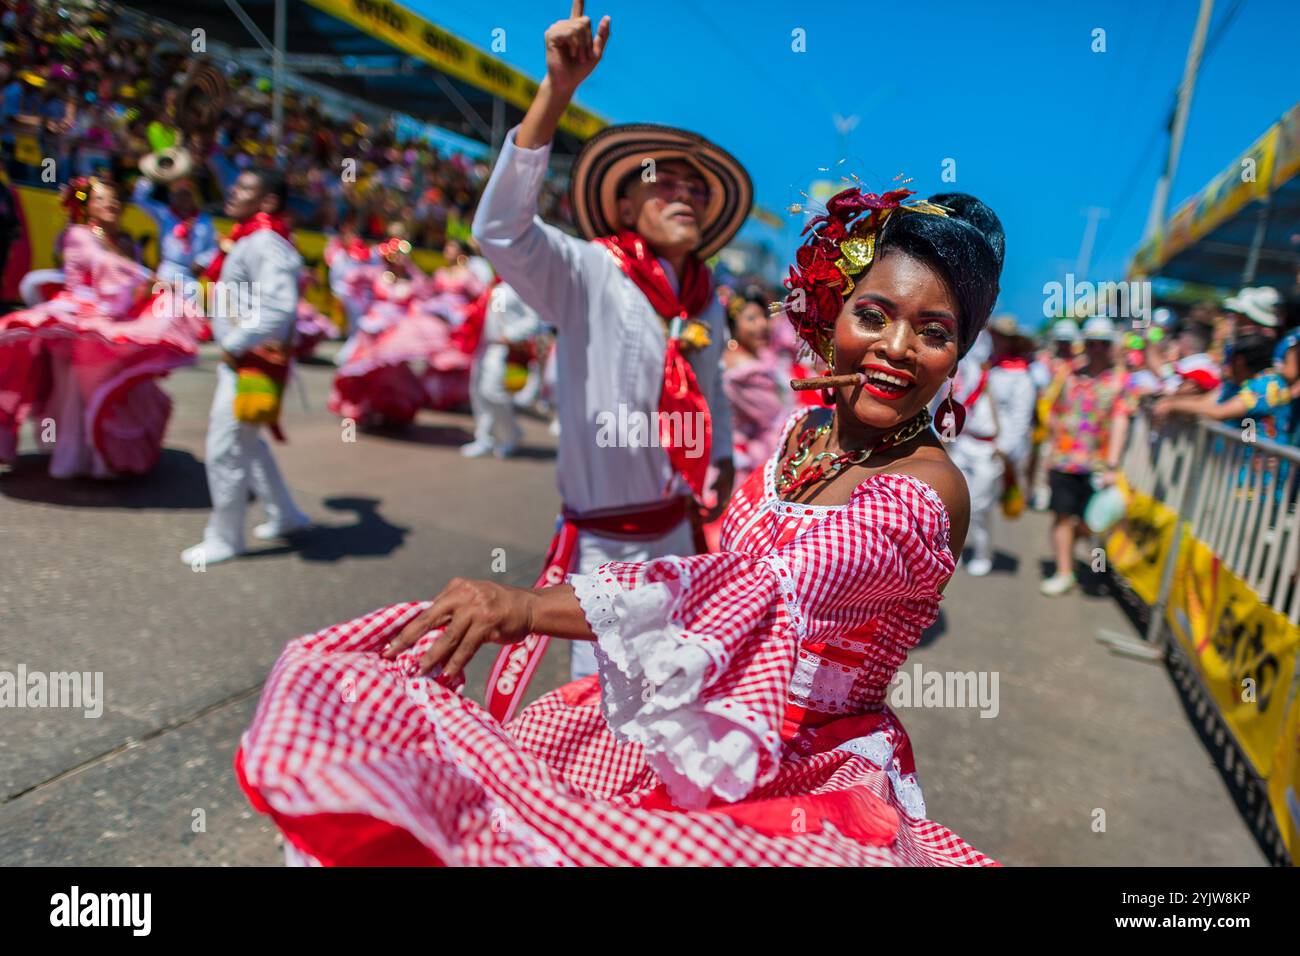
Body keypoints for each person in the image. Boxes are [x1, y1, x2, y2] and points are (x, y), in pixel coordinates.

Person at [235, 86, 1006, 866]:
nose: (898, 348)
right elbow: (500, 229)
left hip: (800, 764)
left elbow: (762, 588)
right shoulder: (767, 402)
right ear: (832, 313)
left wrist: (527, 606)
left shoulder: (925, 490)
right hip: (634, 588)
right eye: (874, 315)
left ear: (960, 352)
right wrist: (554, 91)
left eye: (934, 332)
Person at [469, 3, 739, 692]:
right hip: (604, 549)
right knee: (606, 713)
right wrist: (555, 91)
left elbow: (713, 398)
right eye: (665, 184)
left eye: (697, 189)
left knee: (676, 708)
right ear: (623, 209)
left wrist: (727, 463)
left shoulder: (705, 297)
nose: (686, 195)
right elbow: (499, 232)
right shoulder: (590, 271)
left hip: (684, 540)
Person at [0, 176, 202, 477]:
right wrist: (146, 278)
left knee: (102, 388)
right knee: (76, 393)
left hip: (105, 317)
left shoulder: (118, 240)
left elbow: (121, 280)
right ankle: (73, 457)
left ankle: (92, 457)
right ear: (86, 207)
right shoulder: (80, 234)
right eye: (101, 199)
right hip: (74, 322)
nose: (111, 204)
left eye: (115, 199)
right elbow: (104, 267)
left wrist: (147, 285)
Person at [181, 168, 311, 567]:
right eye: (234, 184)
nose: (232, 191)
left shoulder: (265, 243)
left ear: (268, 201)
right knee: (248, 445)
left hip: (249, 362)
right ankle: (287, 515)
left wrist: (234, 345)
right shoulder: (252, 239)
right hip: (246, 359)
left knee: (226, 449)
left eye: (244, 187)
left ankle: (225, 539)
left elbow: (279, 306)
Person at [1040, 315, 1131, 596]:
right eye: (1091, 343)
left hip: (1097, 463)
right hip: (1064, 460)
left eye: (1102, 344)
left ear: (1111, 346)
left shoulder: (1120, 382)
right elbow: (1051, 409)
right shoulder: (1068, 374)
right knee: (1062, 516)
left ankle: (1076, 564)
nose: (1096, 349)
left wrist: (1113, 463)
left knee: (1091, 521)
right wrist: (1053, 443)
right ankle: (1064, 571)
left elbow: (1120, 420)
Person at [948, 314, 1036, 576]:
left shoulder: (1021, 376)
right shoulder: (983, 367)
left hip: (990, 449)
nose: (997, 340)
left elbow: (1021, 417)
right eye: (994, 334)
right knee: (956, 503)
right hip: (966, 443)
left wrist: (1005, 449)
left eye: (1003, 337)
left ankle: (983, 553)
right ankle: (955, 552)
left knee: (978, 506)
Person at [1153, 333, 1291, 443]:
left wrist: (1172, 405)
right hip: (1237, 468)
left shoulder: (1267, 386)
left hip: (1261, 474)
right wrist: (1171, 402)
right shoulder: (1238, 383)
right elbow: (1207, 402)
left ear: (1239, 361)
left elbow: (1219, 412)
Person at [460, 281, 544, 459]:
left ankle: (511, 435)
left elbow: (533, 319)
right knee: (478, 394)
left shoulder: (518, 286)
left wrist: (510, 335)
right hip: (482, 347)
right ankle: (484, 438)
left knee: (493, 392)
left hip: (500, 348)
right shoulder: (491, 285)